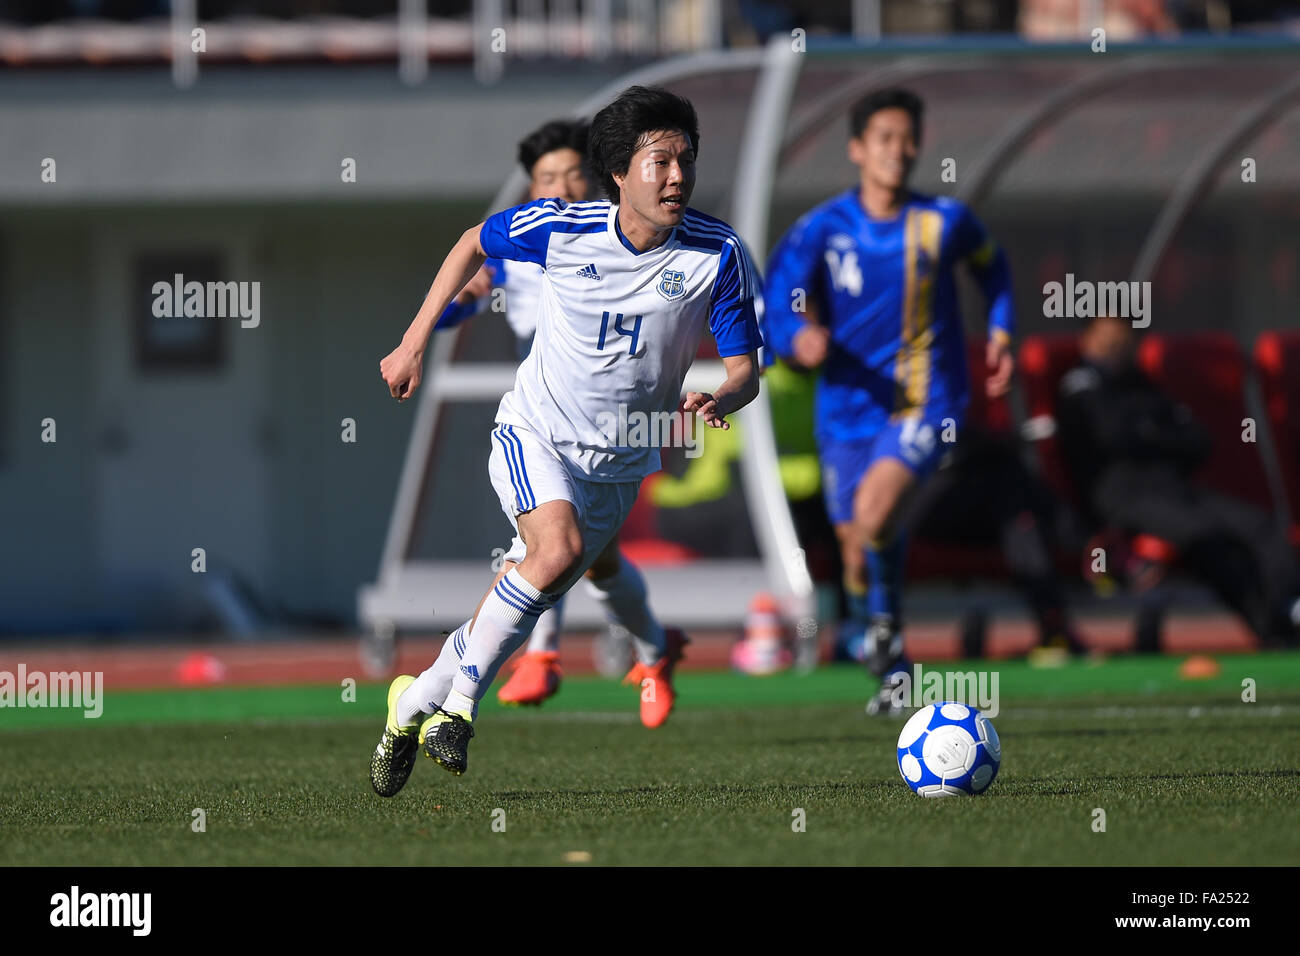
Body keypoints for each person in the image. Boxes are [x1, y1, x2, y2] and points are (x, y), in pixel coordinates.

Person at [370, 85, 763, 796]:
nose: (678, 176)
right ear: (619, 171)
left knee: (544, 582)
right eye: (660, 161)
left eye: (686, 160)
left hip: (620, 462)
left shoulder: (720, 252)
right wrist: (411, 343)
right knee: (558, 554)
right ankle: (459, 710)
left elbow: (746, 370)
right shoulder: (561, 227)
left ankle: (418, 697)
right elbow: (471, 244)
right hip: (537, 433)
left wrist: (724, 394)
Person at [763, 88, 1016, 714]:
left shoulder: (945, 222)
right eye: (885, 138)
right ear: (857, 149)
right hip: (845, 411)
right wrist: (800, 335)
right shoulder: (821, 229)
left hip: (926, 403)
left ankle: (878, 636)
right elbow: (776, 305)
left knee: (876, 513)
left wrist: (1004, 328)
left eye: (908, 139)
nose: (899, 151)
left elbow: (995, 267)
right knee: (856, 547)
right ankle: (893, 660)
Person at [434, 118, 682, 711]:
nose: (562, 188)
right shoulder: (524, 250)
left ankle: (643, 652)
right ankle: (613, 654)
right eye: (548, 178)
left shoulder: (628, 242)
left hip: (610, 426)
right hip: (546, 422)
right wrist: (431, 319)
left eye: (574, 175)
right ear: (530, 190)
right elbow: (468, 286)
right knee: (556, 547)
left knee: (587, 560)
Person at [1057, 314, 1300, 647]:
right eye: (1107, 339)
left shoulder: (1144, 385)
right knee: (1208, 537)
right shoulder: (1080, 386)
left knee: (1262, 527)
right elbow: (1112, 437)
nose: (1116, 346)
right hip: (1126, 498)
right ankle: (1273, 628)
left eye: (1123, 338)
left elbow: (1199, 441)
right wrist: (1160, 437)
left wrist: (1149, 437)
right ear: (1087, 342)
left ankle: (1291, 606)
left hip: (1176, 490)